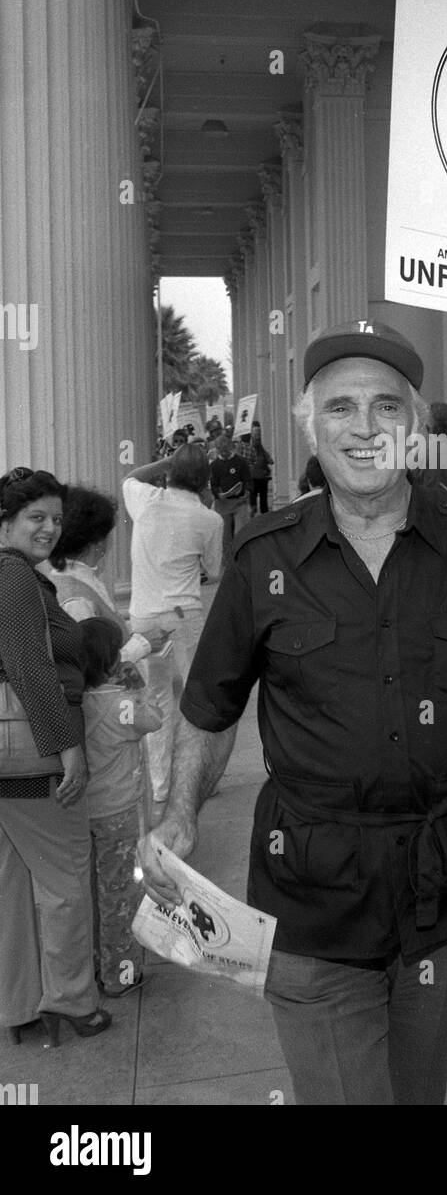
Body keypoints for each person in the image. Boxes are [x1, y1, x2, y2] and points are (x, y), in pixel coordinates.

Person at [139, 318, 447, 1107]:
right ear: (312, 426)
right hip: (313, 892)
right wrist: (179, 816)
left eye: (386, 407)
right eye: (341, 408)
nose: (365, 428)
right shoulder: (262, 558)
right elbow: (210, 706)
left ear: (415, 428)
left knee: (416, 1094)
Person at [0, 467, 111, 1047]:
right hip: (33, 758)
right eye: (35, 518)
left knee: (12, 884)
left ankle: (18, 1006)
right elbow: (27, 662)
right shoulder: (13, 574)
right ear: (7, 520)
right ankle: (72, 1000)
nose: (49, 528)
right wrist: (67, 747)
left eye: (56, 520)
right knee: (67, 875)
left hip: (6, 763)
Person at [121, 445, 222, 817]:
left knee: (157, 700)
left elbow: (129, 478)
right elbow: (213, 570)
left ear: (169, 474)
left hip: (144, 616)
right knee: (195, 700)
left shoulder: (146, 499)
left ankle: (161, 784)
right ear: (206, 483)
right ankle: (196, 780)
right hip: (184, 614)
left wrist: (166, 462)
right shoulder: (209, 519)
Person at [79, 617, 161, 998]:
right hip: (119, 815)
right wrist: (139, 687)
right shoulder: (122, 706)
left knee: (94, 893)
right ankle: (122, 975)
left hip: (84, 812)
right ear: (113, 659)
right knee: (122, 896)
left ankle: (95, 966)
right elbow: (154, 719)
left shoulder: (79, 702)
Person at [44, 485, 170, 675]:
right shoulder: (76, 599)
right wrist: (143, 644)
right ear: (97, 542)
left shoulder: (77, 579)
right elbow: (92, 667)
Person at [210, 433, 251, 565]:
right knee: (224, 534)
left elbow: (247, 479)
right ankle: (227, 560)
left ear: (230, 447)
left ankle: (241, 557)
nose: (224, 452)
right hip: (223, 503)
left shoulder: (240, 462)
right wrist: (218, 494)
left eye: (226, 449)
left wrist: (247, 491)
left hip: (239, 501)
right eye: (221, 450)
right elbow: (214, 484)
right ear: (217, 450)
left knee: (240, 531)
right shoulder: (215, 465)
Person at [246, 421, 274, 515]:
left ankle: (257, 514)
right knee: (258, 499)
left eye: (259, 434)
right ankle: (258, 514)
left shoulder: (258, 447)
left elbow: (270, 460)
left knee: (260, 499)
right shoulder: (253, 447)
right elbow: (270, 460)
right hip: (256, 476)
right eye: (256, 434)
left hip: (259, 476)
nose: (258, 436)